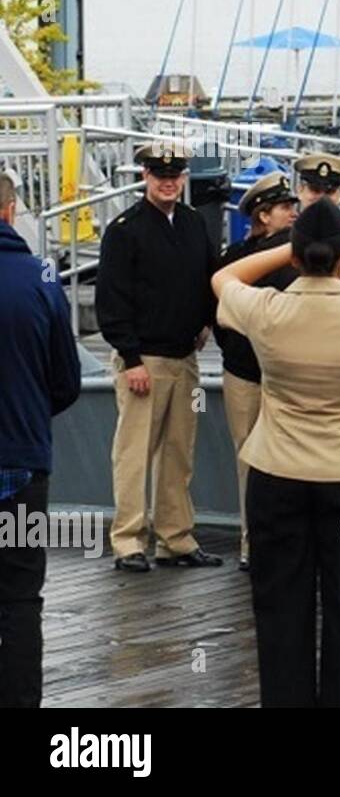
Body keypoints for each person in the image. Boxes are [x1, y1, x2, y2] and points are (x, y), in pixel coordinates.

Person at [212, 199, 340, 707]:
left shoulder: (268, 310)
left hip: (277, 475)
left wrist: (286, 250)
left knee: (280, 606)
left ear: (297, 256)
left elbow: (224, 278)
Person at [95, 143, 222, 572]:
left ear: (184, 178)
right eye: (159, 174)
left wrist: (206, 320)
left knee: (178, 452)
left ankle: (176, 539)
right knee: (134, 454)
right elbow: (111, 299)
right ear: (145, 176)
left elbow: (209, 277)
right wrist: (130, 359)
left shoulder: (192, 224)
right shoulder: (124, 229)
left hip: (185, 359)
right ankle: (129, 541)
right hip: (143, 361)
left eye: (175, 174)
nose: (168, 182)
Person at [0, 171, 80, 708]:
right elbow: (66, 381)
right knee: (21, 599)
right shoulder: (44, 278)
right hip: (22, 465)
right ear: (9, 213)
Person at [214, 171, 299, 571]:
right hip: (244, 372)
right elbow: (219, 316)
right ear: (263, 215)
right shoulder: (233, 257)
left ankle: (282, 540)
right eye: (285, 207)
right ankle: (253, 543)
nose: (293, 213)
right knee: (248, 459)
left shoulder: (297, 256)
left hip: (283, 375)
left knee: (288, 460)